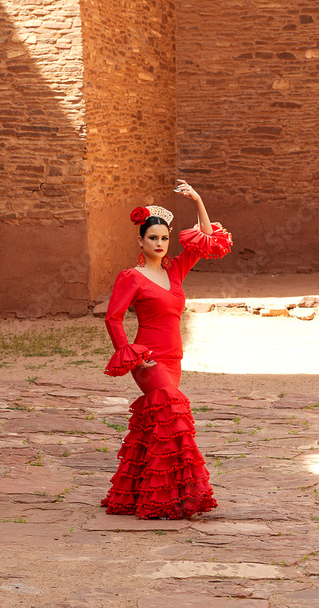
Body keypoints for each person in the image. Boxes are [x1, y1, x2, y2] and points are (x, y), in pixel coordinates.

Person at [101, 179, 233, 519]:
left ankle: (139, 494)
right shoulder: (132, 276)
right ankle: (170, 498)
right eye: (152, 238)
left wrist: (199, 200)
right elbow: (113, 318)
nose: (159, 243)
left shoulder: (175, 270)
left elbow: (207, 240)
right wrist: (131, 357)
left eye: (164, 238)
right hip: (149, 360)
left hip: (175, 359)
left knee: (158, 424)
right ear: (140, 241)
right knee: (174, 418)